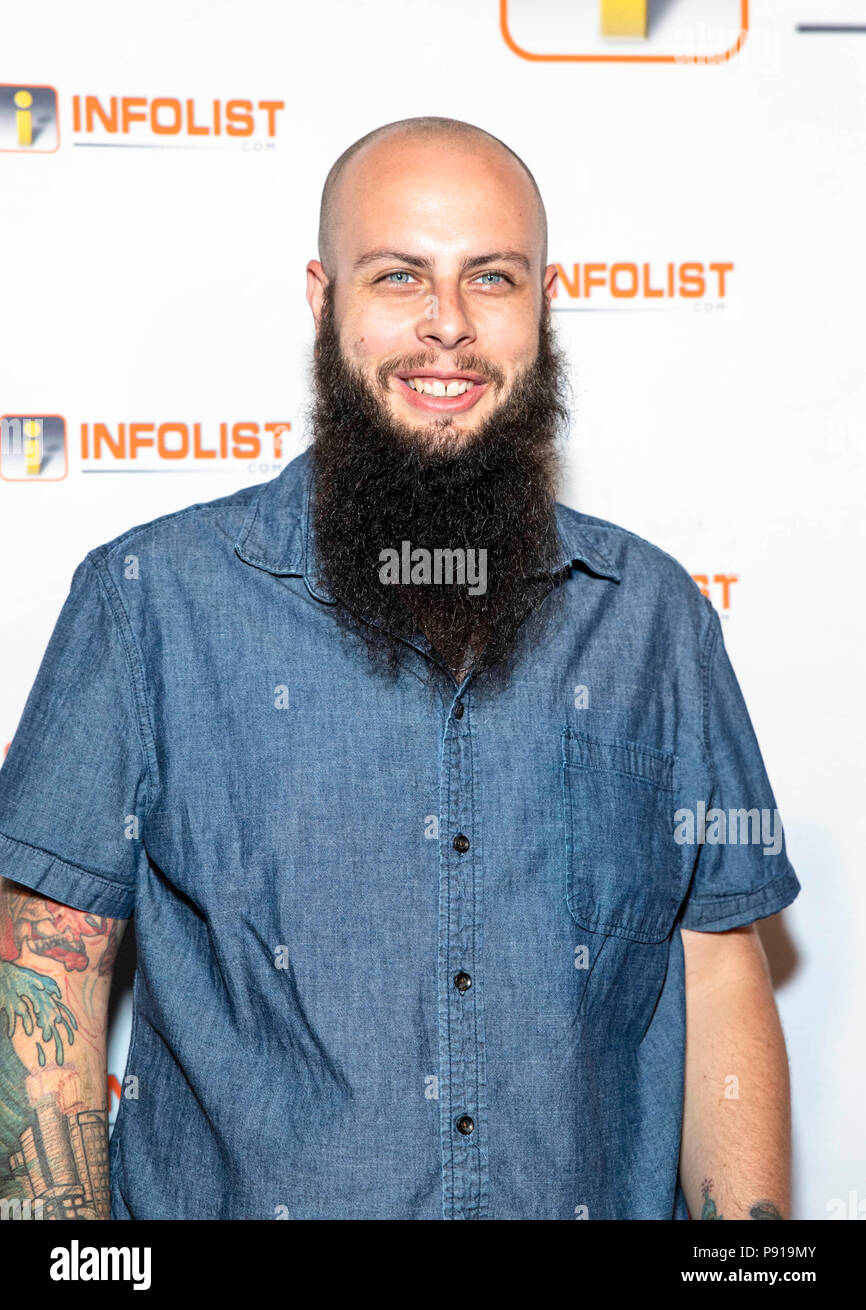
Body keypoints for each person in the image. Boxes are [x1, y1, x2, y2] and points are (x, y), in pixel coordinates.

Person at [0, 116, 800, 1221]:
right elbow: (47, 971)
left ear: (539, 304)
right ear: (324, 301)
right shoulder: (149, 603)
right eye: (397, 277)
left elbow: (717, 971)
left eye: (491, 277)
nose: (447, 327)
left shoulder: (653, 620)